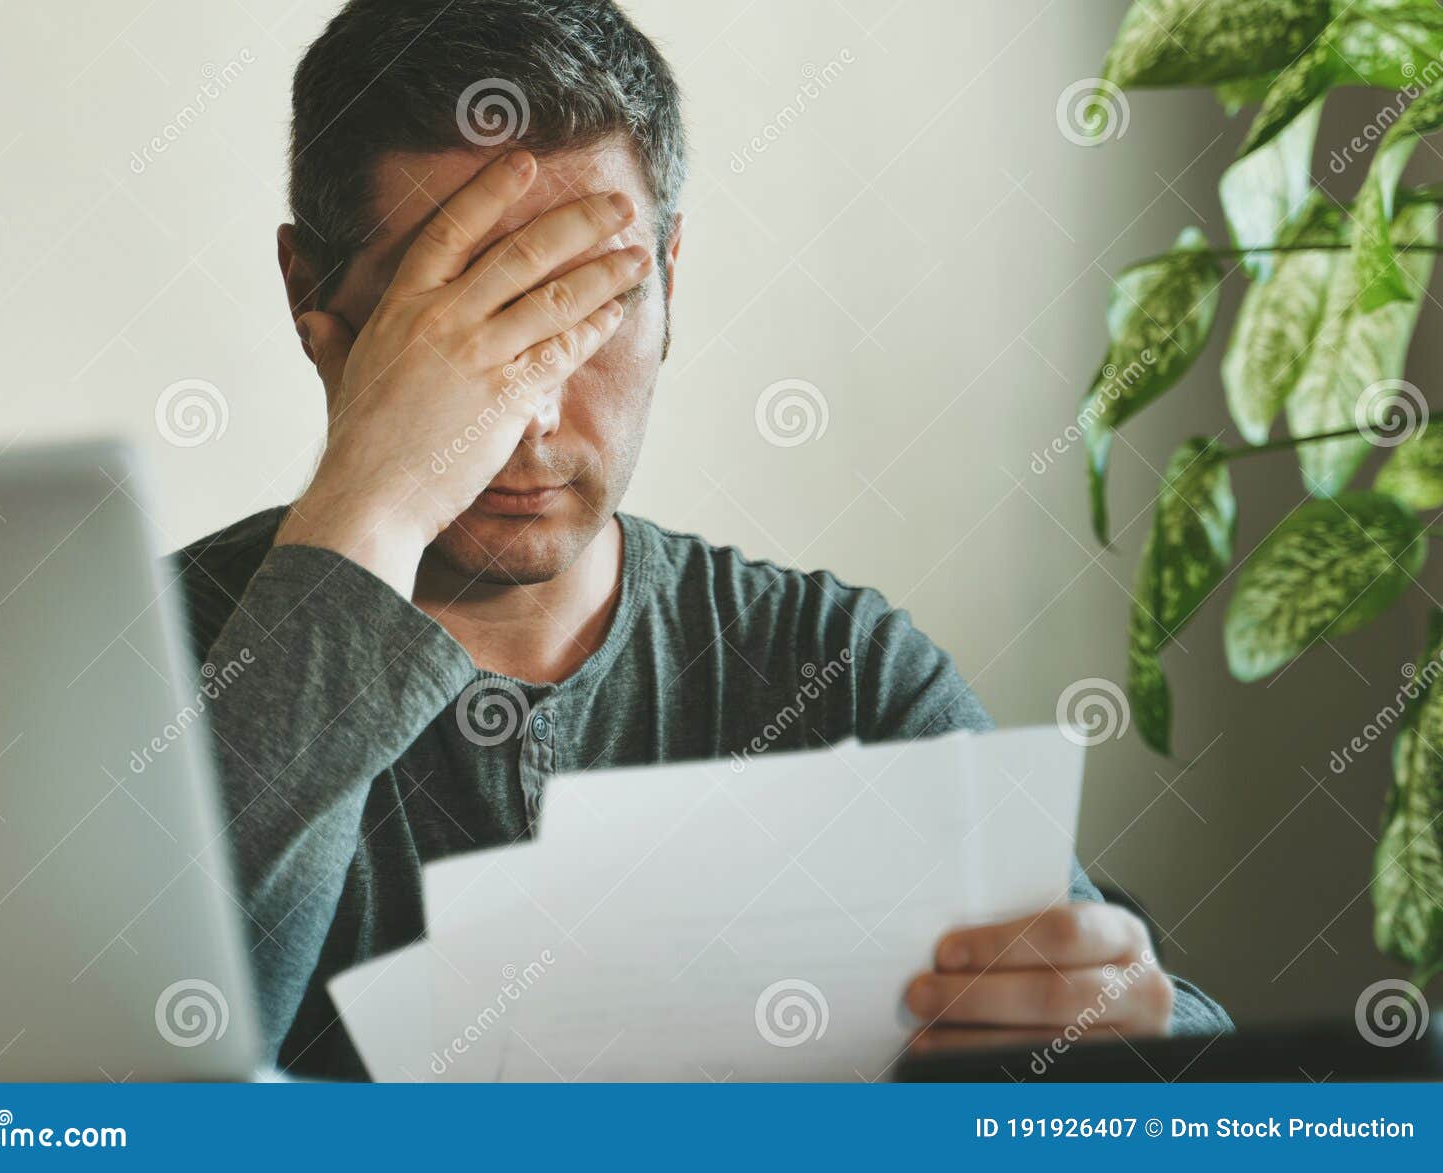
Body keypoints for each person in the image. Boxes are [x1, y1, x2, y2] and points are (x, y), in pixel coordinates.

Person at [173, 0, 1230, 1079]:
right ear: (309, 290)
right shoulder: (128, 664)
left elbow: (1198, 1097)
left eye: (590, 307)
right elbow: (93, 1093)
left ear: (669, 281)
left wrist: (1145, 1043)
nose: (532, 416)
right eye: (459, 324)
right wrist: (377, 505)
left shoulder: (835, 673)